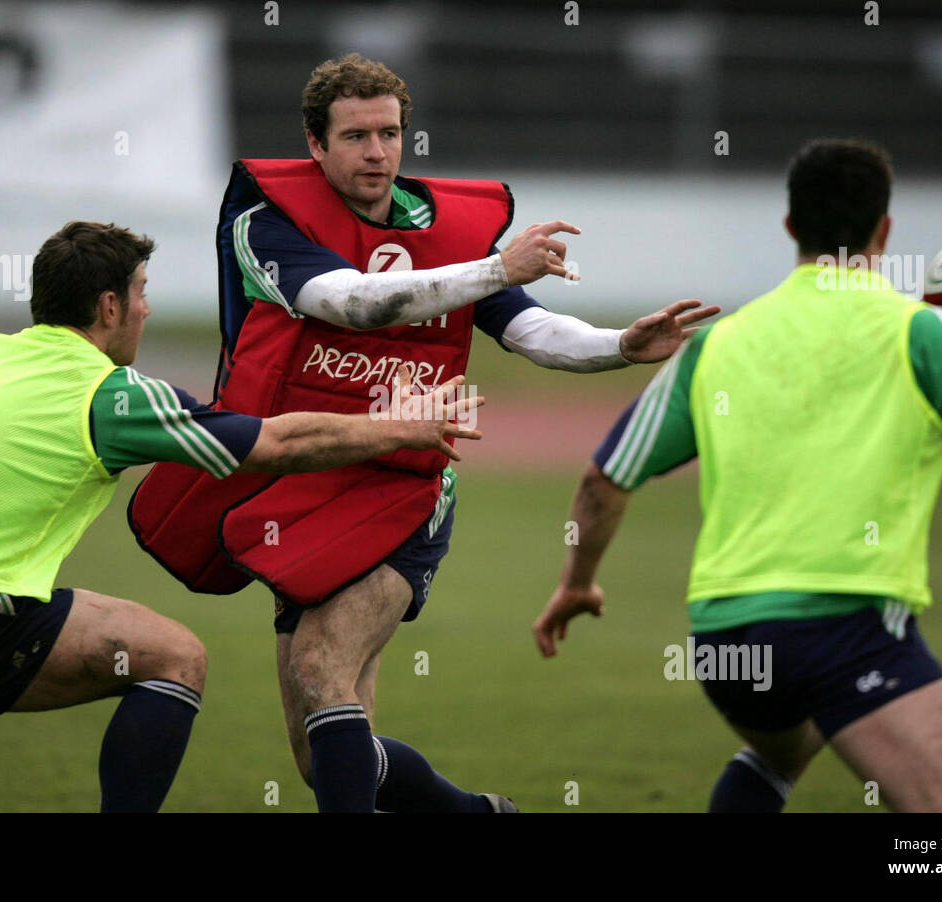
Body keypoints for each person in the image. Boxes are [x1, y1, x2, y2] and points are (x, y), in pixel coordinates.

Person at [130, 53, 718, 813]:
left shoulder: (447, 235)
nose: (377, 153)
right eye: (355, 137)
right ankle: (479, 814)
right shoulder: (267, 226)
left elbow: (530, 328)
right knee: (321, 754)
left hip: (405, 488)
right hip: (304, 485)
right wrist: (496, 269)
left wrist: (618, 347)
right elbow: (354, 303)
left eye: (390, 133)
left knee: (320, 661)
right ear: (315, 146)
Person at [0, 220, 482, 813]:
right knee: (176, 659)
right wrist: (400, 425)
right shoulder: (111, 395)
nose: (147, 310)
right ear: (109, 307)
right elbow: (276, 443)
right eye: (141, 294)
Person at [532, 138, 942, 812]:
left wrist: (575, 586)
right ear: (885, 229)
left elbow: (600, 484)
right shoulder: (924, 334)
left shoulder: (718, 345)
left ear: (790, 227)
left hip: (726, 639)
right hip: (845, 622)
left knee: (783, 752)